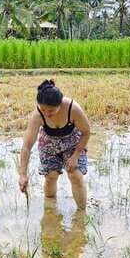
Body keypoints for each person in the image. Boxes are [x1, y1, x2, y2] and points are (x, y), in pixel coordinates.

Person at [18, 80, 91, 210]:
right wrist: (22, 174)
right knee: (51, 176)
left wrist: (75, 156)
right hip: (49, 144)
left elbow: (86, 132)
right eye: (43, 109)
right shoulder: (38, 115)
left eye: (51, 110)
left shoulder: (72, 109)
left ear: (60, 104)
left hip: (72, 143)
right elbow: (26, 146)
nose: (46, 114)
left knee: (75, 175)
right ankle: (50, 211)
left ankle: (81, 214)